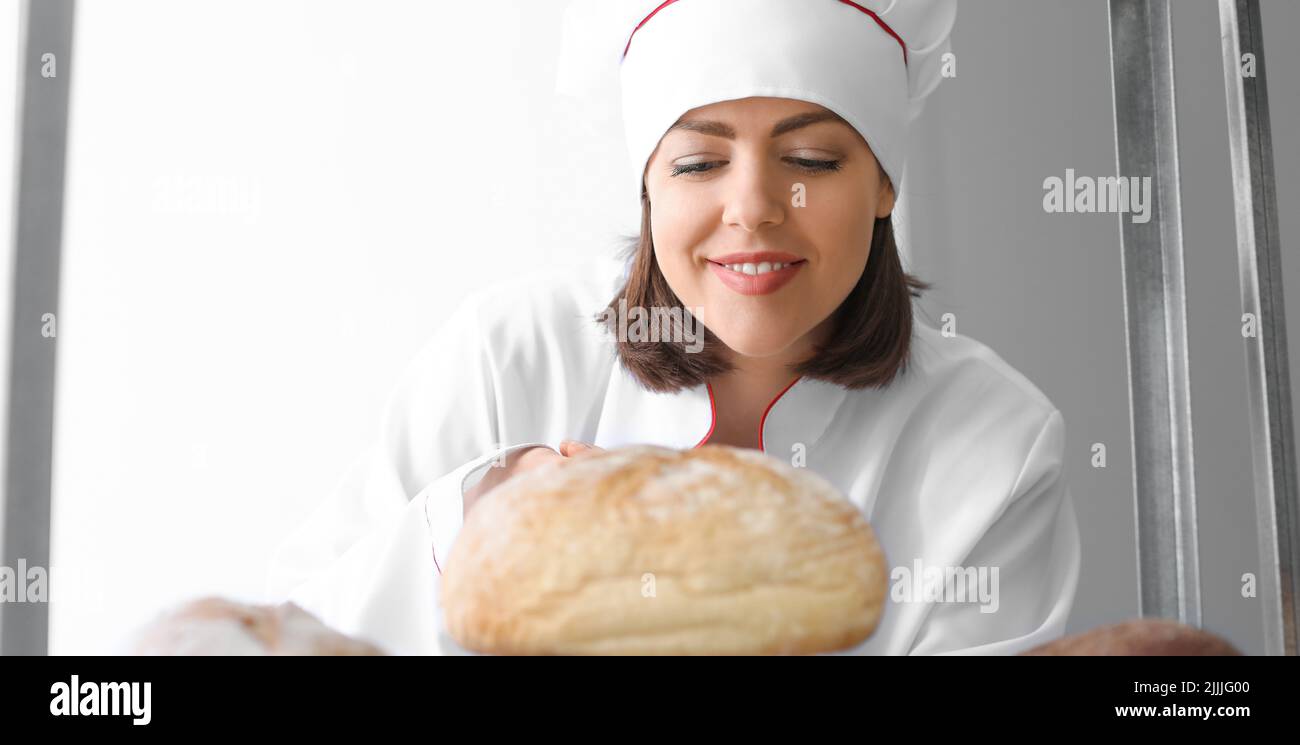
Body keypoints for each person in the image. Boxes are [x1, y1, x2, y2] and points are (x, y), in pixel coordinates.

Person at [266, 0, 1080, 655]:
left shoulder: (996, 442)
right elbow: (287, 633)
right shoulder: (509, 355)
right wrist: (481, 508)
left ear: (882, 186)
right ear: (649, 188)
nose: (756, 208)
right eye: (699, 162)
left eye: (812, 161)